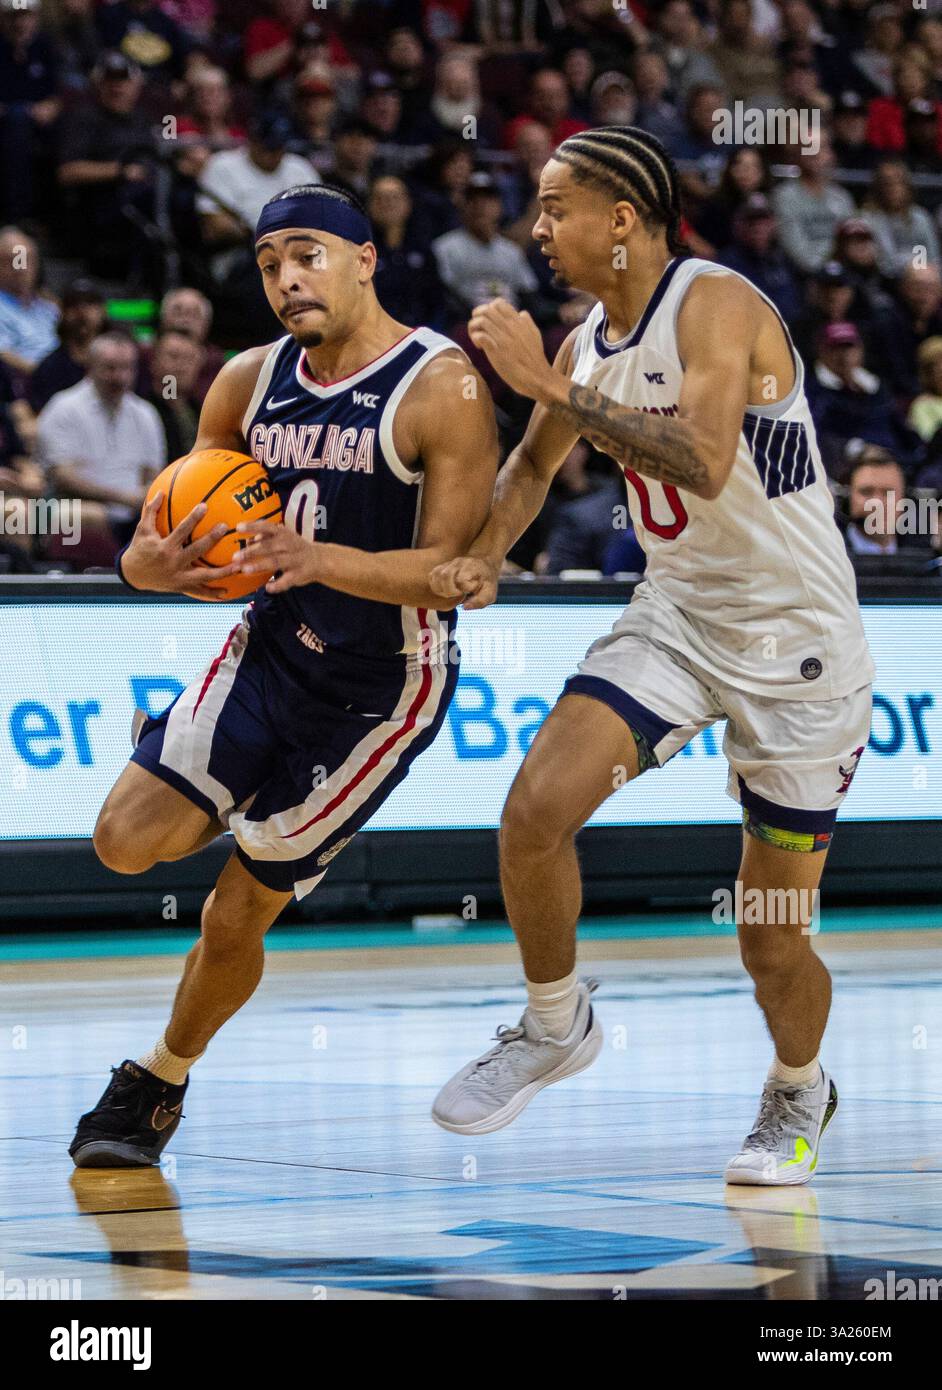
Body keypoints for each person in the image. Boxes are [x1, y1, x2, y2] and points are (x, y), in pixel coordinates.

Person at [428, 126, 874, 1188]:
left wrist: (551, 383)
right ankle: (553, 1022)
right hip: (677, 617)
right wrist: (473, 566)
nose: (539, 230)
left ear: (619, 219)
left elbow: (706, 462)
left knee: (769, 940)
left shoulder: (715, 302)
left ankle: (800, 1086)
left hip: (799, 647)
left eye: (555, 208)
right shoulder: (585, 342)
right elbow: (534, 474)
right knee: (535, 811)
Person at [68, 183, 498, 1168]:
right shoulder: (243, 383)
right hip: (270, 646)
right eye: (268, 263)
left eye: (307, 254)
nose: (287, 277)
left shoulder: (442, 384)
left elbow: (456, 571)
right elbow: (145, 549)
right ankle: (230, 789)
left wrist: (318, 559)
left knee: (236, 907)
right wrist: (162, 569)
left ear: (363, 258)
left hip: (384, 685)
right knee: (124, 842)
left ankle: (158, 1079)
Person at [37, 331, 165, 557]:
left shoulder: (145, 413)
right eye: (110, 368)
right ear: (91, 366)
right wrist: (122, 498)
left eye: (127, 368)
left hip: (135, 513)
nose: (119, 377)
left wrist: (145, 498)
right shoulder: (63, 407)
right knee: (92, 515)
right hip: (79, 507)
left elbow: (153, 474)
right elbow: (62, 478)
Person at [27, 279, 108, 413]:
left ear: (103, 311)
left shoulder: (121, 365)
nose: (81, 312)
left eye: (90, 303)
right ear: (62, 313)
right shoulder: (48, 369)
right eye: (73, 305)